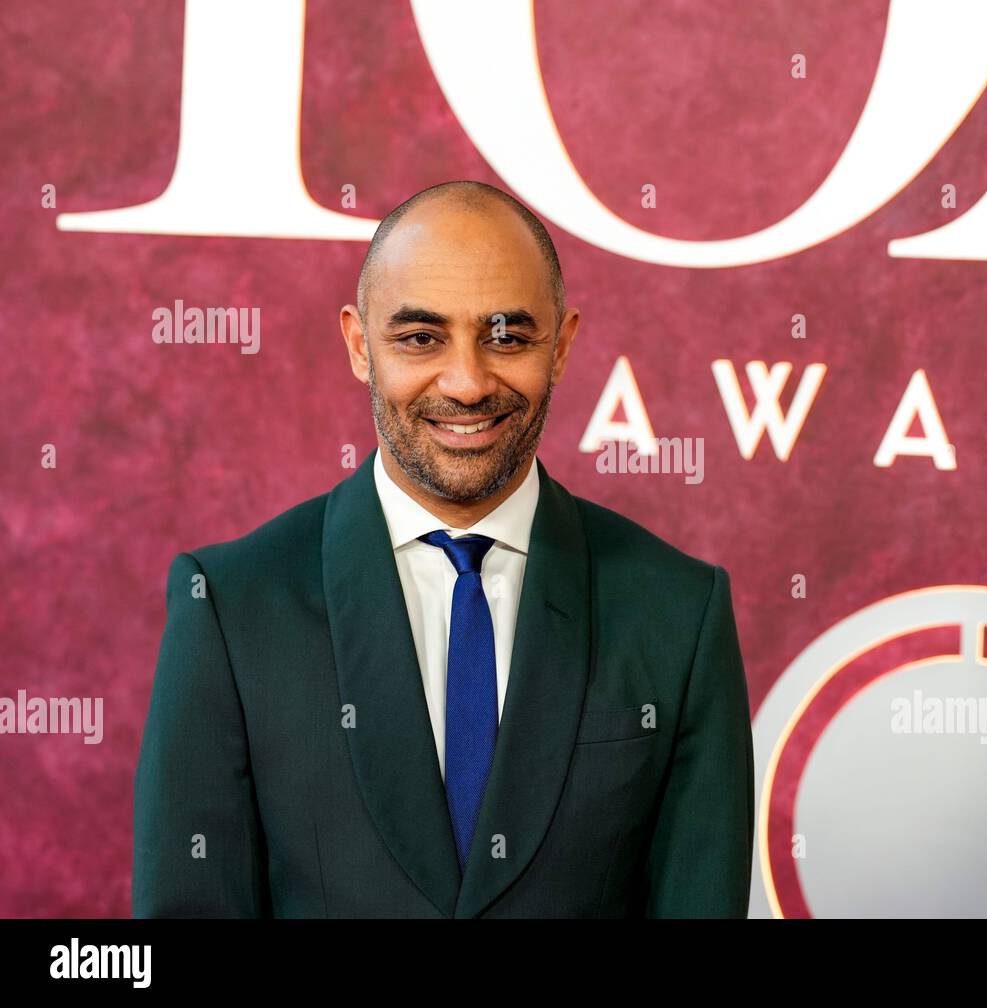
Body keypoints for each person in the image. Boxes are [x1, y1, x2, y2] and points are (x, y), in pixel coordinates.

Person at [132, 180, 755, 918]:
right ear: (360, 344)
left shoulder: (679, 614)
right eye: (420, 337)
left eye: (508, 337)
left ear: (562, 345)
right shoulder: (231, 608)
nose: (466, 382)